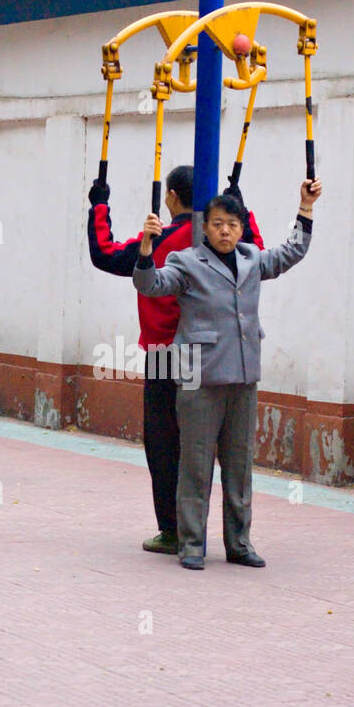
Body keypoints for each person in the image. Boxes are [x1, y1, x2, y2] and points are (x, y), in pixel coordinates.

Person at [133, 178, 321, 570]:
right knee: (195, 465)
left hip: (242, 377)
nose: (225, 231)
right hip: (199, 379)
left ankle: (239, 543)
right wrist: (146, 249)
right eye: (217, 224)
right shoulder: (186, 261)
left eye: (232, 225)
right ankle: (190, 544)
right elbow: (150, 285)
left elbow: (291, 252)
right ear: (206, 227)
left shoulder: (252, 258)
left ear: (241, 228)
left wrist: (305, 208)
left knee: (239, 466)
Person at [88, 166, 263, 555]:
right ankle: (231, 536)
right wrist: (241, 204)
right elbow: (259, 251)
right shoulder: (223, 245)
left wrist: (100, 204)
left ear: (169, 197)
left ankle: (174, 531)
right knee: (219, 450)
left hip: (165, 355)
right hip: (216, 358)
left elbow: (104, 253)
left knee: (167, 445)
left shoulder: (161, 240)